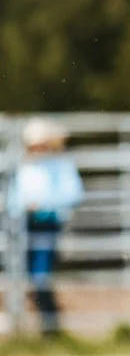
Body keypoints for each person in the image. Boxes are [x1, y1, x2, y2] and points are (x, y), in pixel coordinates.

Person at [6, 118, 84, 336]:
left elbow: (72, 194)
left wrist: (43, 204)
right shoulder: (25, 166)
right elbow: (14, 198)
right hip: (23, 225)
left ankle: (49, 324)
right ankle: (43, 322)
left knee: (40, 275)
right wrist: (22, 207)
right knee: (27, 274)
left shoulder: (60, 165)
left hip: (48, 223)